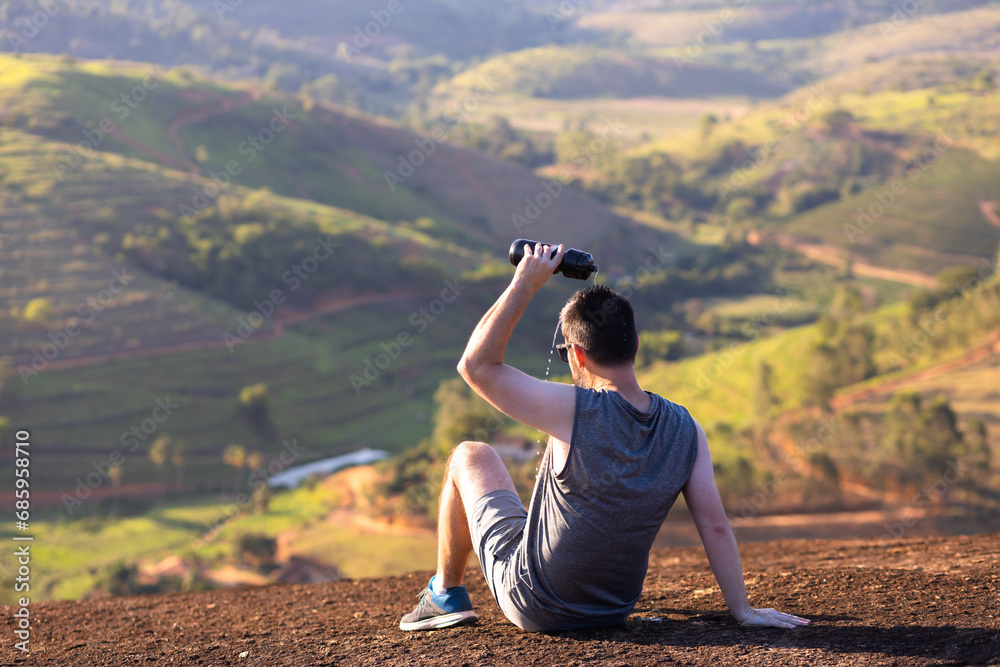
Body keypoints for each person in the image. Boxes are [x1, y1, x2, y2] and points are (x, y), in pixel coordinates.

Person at [399, 243, 810, 632]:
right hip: (613, 608)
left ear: (577, 354)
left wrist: (523, 283)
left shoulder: (574, 408)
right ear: (635, 345)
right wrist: (743, 610)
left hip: (534, 602)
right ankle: (457, 591)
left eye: (567, 354)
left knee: (470, 455)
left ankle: (447, 595)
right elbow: (716, 526)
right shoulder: (687, 428)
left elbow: (475, 365)